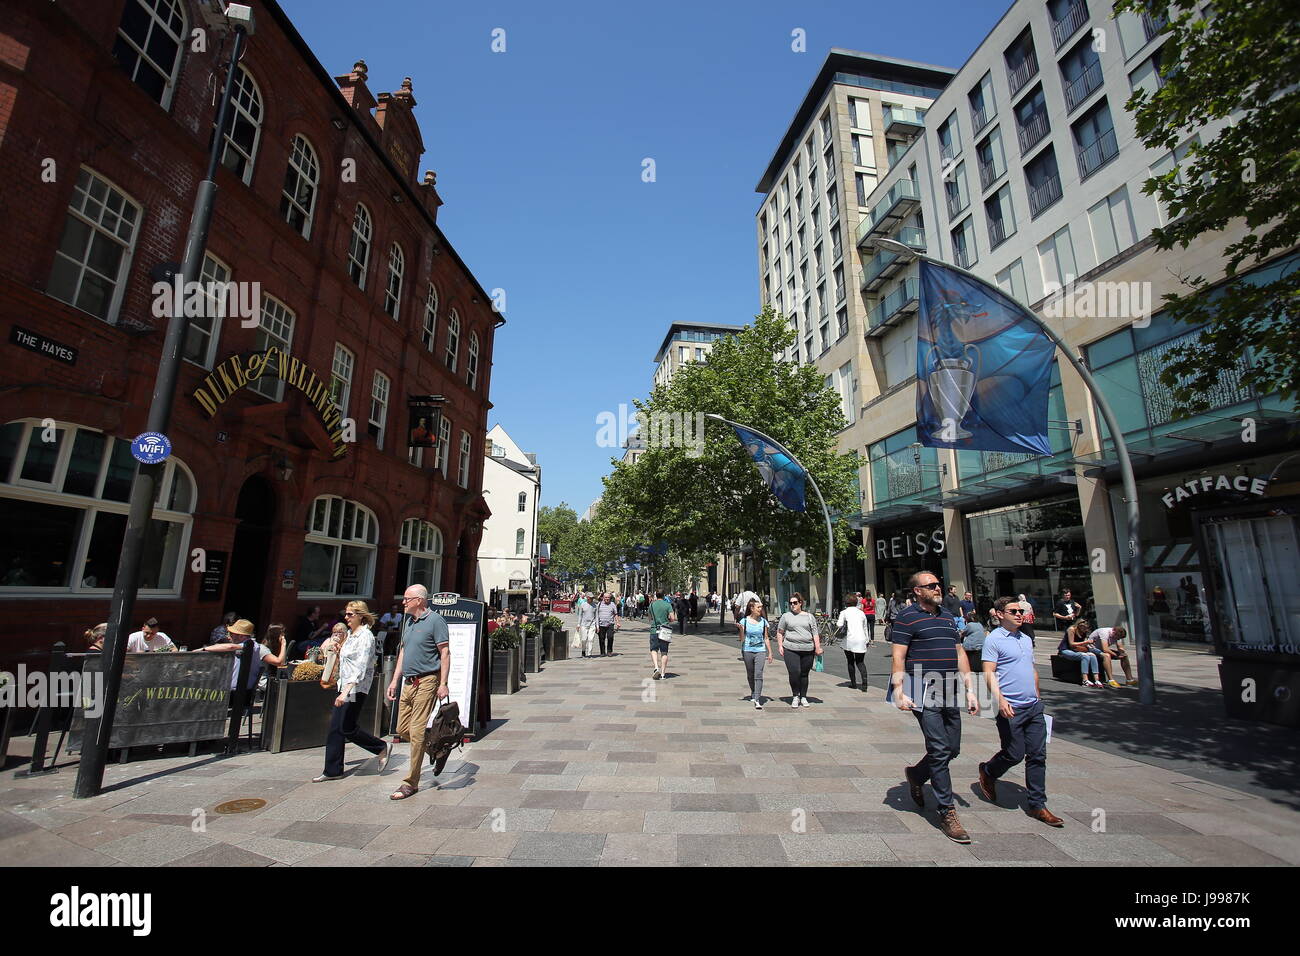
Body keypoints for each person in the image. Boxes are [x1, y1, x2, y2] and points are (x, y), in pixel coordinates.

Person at [890, 571, 979, 844]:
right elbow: (898, 656)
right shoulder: (906, 618)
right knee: (939, 748)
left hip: (949, 687)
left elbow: (959, 652)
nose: (938, 587)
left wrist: (971, 689)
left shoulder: (948, 617)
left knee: (953, 748)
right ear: (917, 591)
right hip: (922, 689)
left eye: (938, 583)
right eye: (931, 585)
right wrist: (899, 692)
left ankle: (916, 775)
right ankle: (946, 811)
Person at [978, 596, 1064, 827]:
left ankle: (1038, 805)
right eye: (1013, 611)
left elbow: (1031, 668)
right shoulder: (993, 640)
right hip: (1010, 707)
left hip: (1033, 706)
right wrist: (1000, 700)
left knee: (1037, 755)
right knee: (1014, 753)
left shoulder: (1026, 639)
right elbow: (988, 672)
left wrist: (1037, 695)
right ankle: (988, 770)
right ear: (999, 614)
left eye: (1020, 611)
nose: (1019, 614)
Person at [386, 585, 451, 800]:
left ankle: (410, 783)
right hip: (408, 682)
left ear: (420, 601)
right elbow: (403, 652)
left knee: (416, 730)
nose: (403, 602)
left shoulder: (435, 621)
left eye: (407, 599)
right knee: (401, 728)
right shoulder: (409, 622)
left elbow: (445, 652)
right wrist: (394, 680)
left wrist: (443, 683)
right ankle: (435, 750)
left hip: (427, 680)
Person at [314, 601, 389, 782]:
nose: (346, 617)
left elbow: (361, 666)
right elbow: (349, 660)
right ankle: (333, 770)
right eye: (346, 614)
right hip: (344, 685)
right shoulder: (350, 634)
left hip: (355, 688)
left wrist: (345, 691)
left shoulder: (366, 636)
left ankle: (380, 747)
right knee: (338, 727)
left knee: (344, 727)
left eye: (350, 614)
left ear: (361, 616)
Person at [201, 619, 286, 692]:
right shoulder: (241, 646)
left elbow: (279, 662)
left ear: (241, 636)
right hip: (231, 689)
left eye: (231, 633)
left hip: (239, 691)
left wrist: (283, 644)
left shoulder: (256, 647)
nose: (228, 636)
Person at [776, 592, 821, 708]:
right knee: (794, 672)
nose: (792, 605)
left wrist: (818, 647)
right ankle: (795, 695)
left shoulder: (809, 617)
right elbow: (780, 632)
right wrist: (780, 645)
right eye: (791, 603)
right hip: (791, 648)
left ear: (800, 603)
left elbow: (815, 633)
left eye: (795, 603)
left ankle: (804, 696)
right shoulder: (786, 616)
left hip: (807, 649)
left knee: (804, 674)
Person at [737, 597, 773, 709]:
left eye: (761, 607)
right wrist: (741, 629)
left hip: (760, 651)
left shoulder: (763, 622)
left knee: (758, 674)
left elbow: (766, 638)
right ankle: (753, 690)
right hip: (747, 650)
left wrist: (770, 652)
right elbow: (742, 639)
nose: (760, 609)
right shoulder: (745, 621)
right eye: (758, 607)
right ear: (752, 608)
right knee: (750, 673)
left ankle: (757, 698)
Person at [837, 592, 871, 690]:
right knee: (860, 662)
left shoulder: (844, 612)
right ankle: (864, 684)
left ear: (846, 603)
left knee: (850, 661)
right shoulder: (861, 613)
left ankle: (853, 683)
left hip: (849, 639)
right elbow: (865, 628)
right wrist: (867, 640)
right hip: (861, 639)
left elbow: (839, 625)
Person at [1059, 618, 1104, 687]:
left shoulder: (1084, 632)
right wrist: (1085, 642)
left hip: (1077, 650)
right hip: (1066, 649)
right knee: (1084, 656)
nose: (1085, 630)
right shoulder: (1071, 629)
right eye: (1084, 628)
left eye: (1087, 628)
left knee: (1092, 655)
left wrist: (1088, 645)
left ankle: (1096, 679)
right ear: (1080, 626)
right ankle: (1085, 680)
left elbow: (1082, 644)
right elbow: (1071, 644)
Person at [648, 590, 675, 680]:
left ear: (656, 595)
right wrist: (667, 619)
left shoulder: (652, 605)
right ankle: (663, 673)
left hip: (654, 630)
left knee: (653, 649)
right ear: (664, 596)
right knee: (664, 652)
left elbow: (650, 618)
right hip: (665, 630)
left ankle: (656, 667)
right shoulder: (668, 605)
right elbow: (672, 618)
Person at [594, 592, 620, 656]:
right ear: (603, 598)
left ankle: (609, 651)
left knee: (610, 637)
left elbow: (615, 614)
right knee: (601, 639)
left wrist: (617, 622)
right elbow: (596, 615)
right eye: (606, 597)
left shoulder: (612, 604)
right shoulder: (599, 604)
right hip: (601, 624)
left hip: (610, 624)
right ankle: (602, 652)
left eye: (608, 597)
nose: (607, 599)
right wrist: (596, 625)